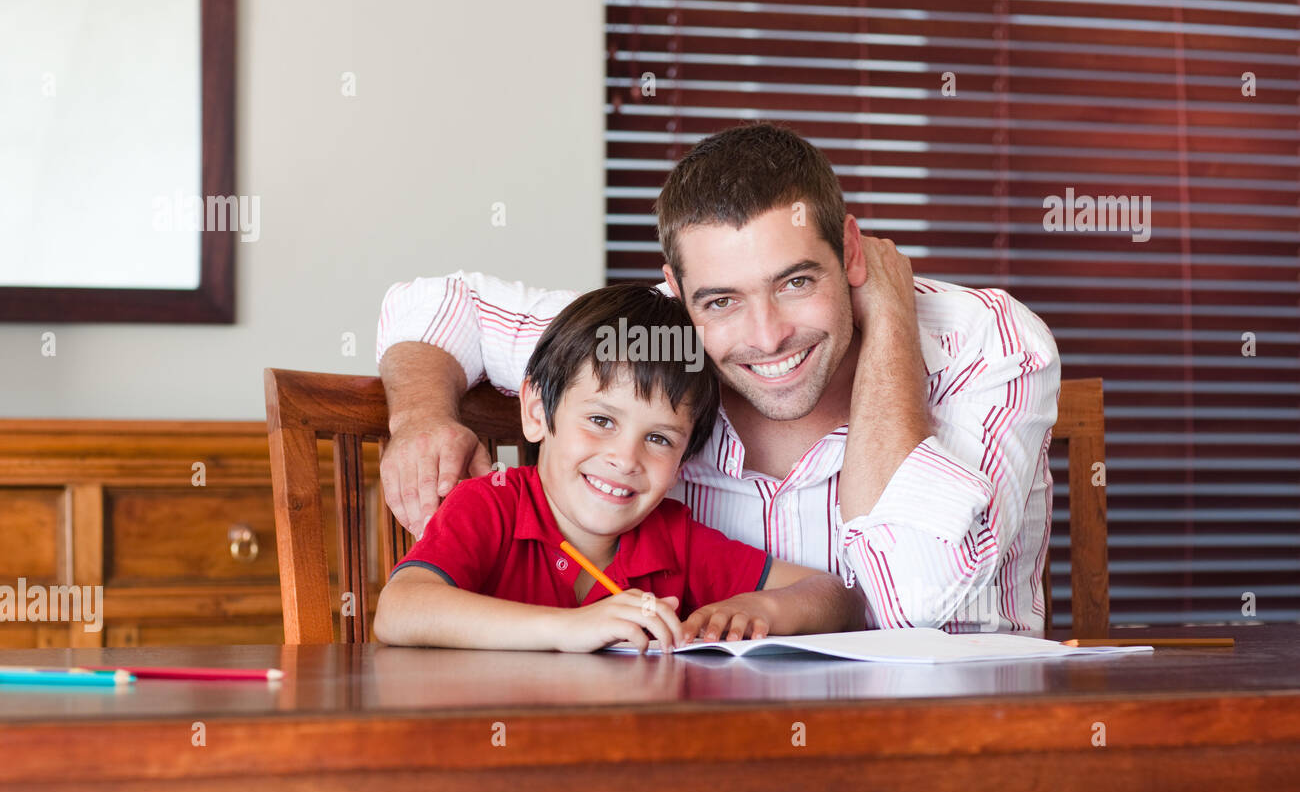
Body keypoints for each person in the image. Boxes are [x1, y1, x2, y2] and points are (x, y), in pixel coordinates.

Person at [376, 123, 1060, 634]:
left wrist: (891, 324)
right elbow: (440, 303)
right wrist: (419, 416)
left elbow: (909, 595)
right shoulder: (648, 350)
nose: (765, 336)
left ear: (851, 250)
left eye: (796, 281)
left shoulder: (985, 342)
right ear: (676, 292)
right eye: (721, 300)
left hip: (973, 740)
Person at [372, 282, 865, 652]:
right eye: (601, 420)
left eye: (658, 438)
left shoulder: (673, 538)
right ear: (538, 411)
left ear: (686, 454)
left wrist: (761, 608)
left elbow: (836, 594)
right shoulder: (491, 503)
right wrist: (570, 629)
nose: (625, 459)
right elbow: (400, 611)